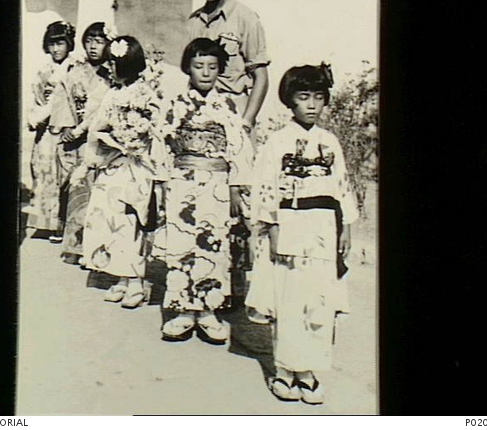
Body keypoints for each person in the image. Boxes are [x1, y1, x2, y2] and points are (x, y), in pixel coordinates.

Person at [244, 64, 359, 405]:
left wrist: (346, 227)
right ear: (290, 100)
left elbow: (342, 187)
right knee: (289, 298)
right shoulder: (277, 142)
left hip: (324, 226)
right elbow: (265, 186)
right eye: (303, 97)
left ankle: (308, 372)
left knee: (318, 300)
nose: (311, 105)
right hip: (290, 223)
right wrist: (273, 227)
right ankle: (284, 371)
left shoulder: (330, 142)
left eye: (318, 98)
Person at [158, 38, 254, 344]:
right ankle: (184, 310)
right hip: (182, 179)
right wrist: (161, 182)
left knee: (213, 246)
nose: (206, 72)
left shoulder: (226, 106)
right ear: (187, 67)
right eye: (199, 66)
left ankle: (209, 312)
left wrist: (237, 187)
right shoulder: (174, 104)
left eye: (213, 67)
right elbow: (161, 145)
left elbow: (239, 148)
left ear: (221, 70)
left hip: (216, 184)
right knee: (182, 245)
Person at [80, 36, 164, 309]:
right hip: (115, 163)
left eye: (115, 63)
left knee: (132, 220)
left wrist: (139, 141)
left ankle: (137, 279)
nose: (111, 69)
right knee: (109, 218)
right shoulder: (113, 94)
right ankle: (120, 276)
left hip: (138, 166)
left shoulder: (147, 94)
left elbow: (157, 130)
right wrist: (108, 146)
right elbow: (98, 128)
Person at [186, 0, 270, 134]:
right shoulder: (194, 21)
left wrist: (246, 122)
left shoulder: (246, 19)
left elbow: (261, 77)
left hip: (235, 112)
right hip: (200, 115)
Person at [49, 22, 114, 264]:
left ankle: (97, 249)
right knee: (77, 190)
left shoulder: (112, 74)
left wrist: (82, 129)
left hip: (99, 138)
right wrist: (67, 128)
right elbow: (62, 99)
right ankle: (76, 246)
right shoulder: (75, 71)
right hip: (75, 139)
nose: (93, 46)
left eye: (99, 41)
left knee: (98, 193)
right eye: (89, 41)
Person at [26, 21, 76, 241]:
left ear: (69, 44)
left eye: (60, 44)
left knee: (65, 175)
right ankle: (49, 222)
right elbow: (37, 97)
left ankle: (63, 223)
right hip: (46, 130)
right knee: (45, 172)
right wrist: (36, 117)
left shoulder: (76, 68)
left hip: (66, 127)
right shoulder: (44, 71)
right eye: (52, 44)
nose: (56, 49)